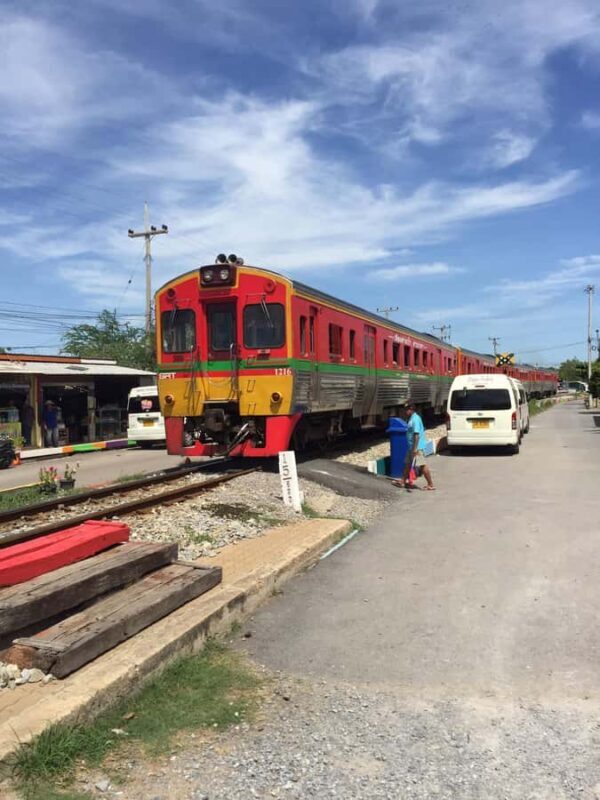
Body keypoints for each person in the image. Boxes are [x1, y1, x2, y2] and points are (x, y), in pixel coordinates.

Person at [393, 401, 435, 491]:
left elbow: (417, 434)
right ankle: (403, 481)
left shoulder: (415, 419)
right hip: (411, 447)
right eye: (405, 409)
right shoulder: (411, 418)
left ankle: (430, 484)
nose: (405, 411)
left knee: (422, 466)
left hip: (417, 448)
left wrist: (415, 449)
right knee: (407, 464)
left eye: (407, 409)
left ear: (411, 409)